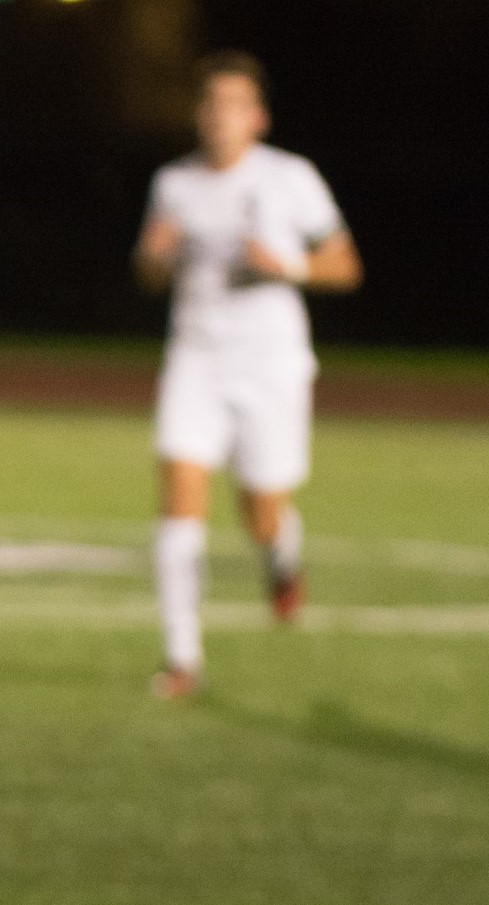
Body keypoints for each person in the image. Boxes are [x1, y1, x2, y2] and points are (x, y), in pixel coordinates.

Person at [135, 50, 362, 697]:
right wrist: (152, 258)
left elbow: (346, 267)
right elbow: (150, 273)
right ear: (197, 113)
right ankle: (182, 658)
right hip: (195, 359)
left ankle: (282, 558)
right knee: (179, 488)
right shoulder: (173, 183)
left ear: (257, 116)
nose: (220, 116)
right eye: (210, 103)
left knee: (260, 506)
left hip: (271, 365)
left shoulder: (291, 179)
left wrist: (285, 266)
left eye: (234, 104)